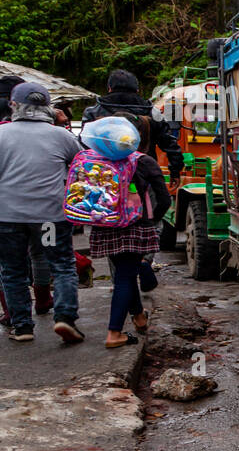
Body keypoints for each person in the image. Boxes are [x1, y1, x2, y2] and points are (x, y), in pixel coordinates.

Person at [0, 82, 84, 343]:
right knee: (60, 265)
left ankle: (23, 327)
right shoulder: (62, 136)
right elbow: (82, 169)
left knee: (12, 270)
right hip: (49, 219)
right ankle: (64, 318)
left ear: (14, 105)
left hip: (8, 218)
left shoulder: (1, 135)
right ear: (48, 107)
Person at [87, 116, 170, 349]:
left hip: (104, 225)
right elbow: (163, 199)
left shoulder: (95, 160)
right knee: (125, 276)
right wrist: (152, 220)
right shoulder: (144, 161)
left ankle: (139, 317)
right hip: (136, 226)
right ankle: (114, 333)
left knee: (125, 272)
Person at [83, 69, 183, 182]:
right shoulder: (152, 112)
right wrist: (175, 172)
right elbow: (170, 145)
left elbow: (84, 144)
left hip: (104, 176)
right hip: (143, 174)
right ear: (137, 90)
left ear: (109, 88)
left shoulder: (94, 112)